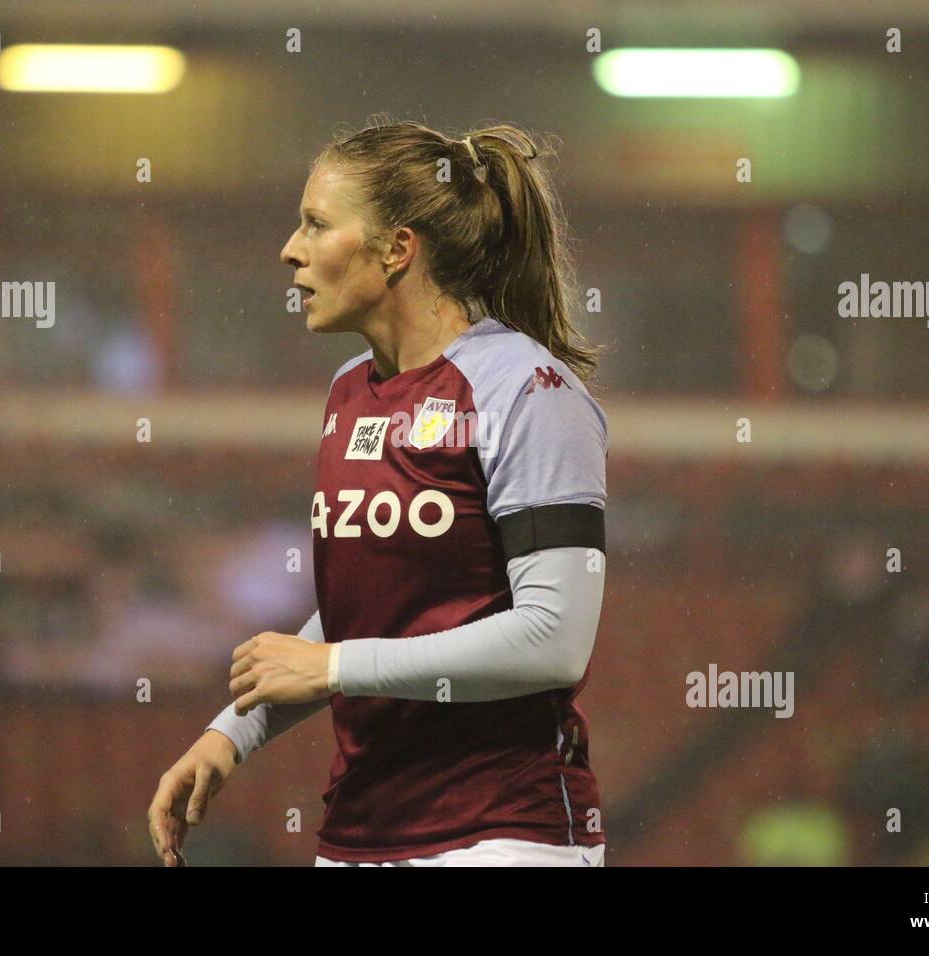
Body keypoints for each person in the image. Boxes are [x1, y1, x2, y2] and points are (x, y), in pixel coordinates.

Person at [148, 117, 610, 867]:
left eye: (316, 224)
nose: (289, 250)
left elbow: (554, 640)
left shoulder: (527, 389)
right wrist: (229, 734)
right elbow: (374, 610)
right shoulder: (347, 395)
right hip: (360, 835)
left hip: (503, 833)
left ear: (398, 249)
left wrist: (333, 668)